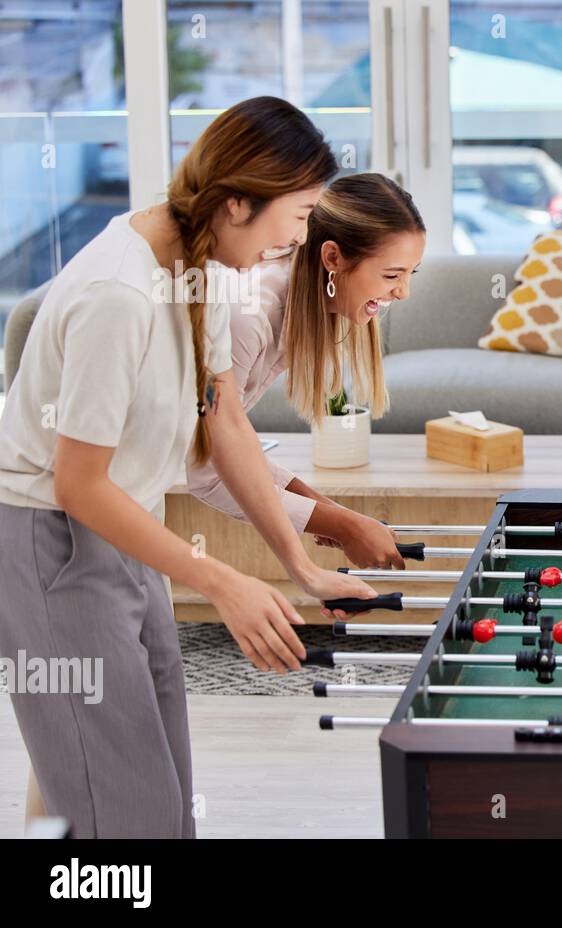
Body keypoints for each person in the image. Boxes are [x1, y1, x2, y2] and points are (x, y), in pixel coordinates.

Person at [0, 97, 377, 837]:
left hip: (127, 526)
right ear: (238, 202)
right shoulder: (120, 293)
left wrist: (295, 563)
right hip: (51, 538)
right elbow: (77, 484)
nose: (301, 238)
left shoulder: (199, 267)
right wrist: (220, 580)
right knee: (127, 815)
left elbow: (223, 418)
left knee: (162, 801)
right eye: (297, 215)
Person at [186, 173, 425, 570]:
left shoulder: (291, 307)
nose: (402, 292)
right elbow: (206, 468)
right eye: (391, 275)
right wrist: (342, 524)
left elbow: (234, 445)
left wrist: (326, 510)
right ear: (332, 258)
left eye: (409, 274)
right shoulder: (249, 318)